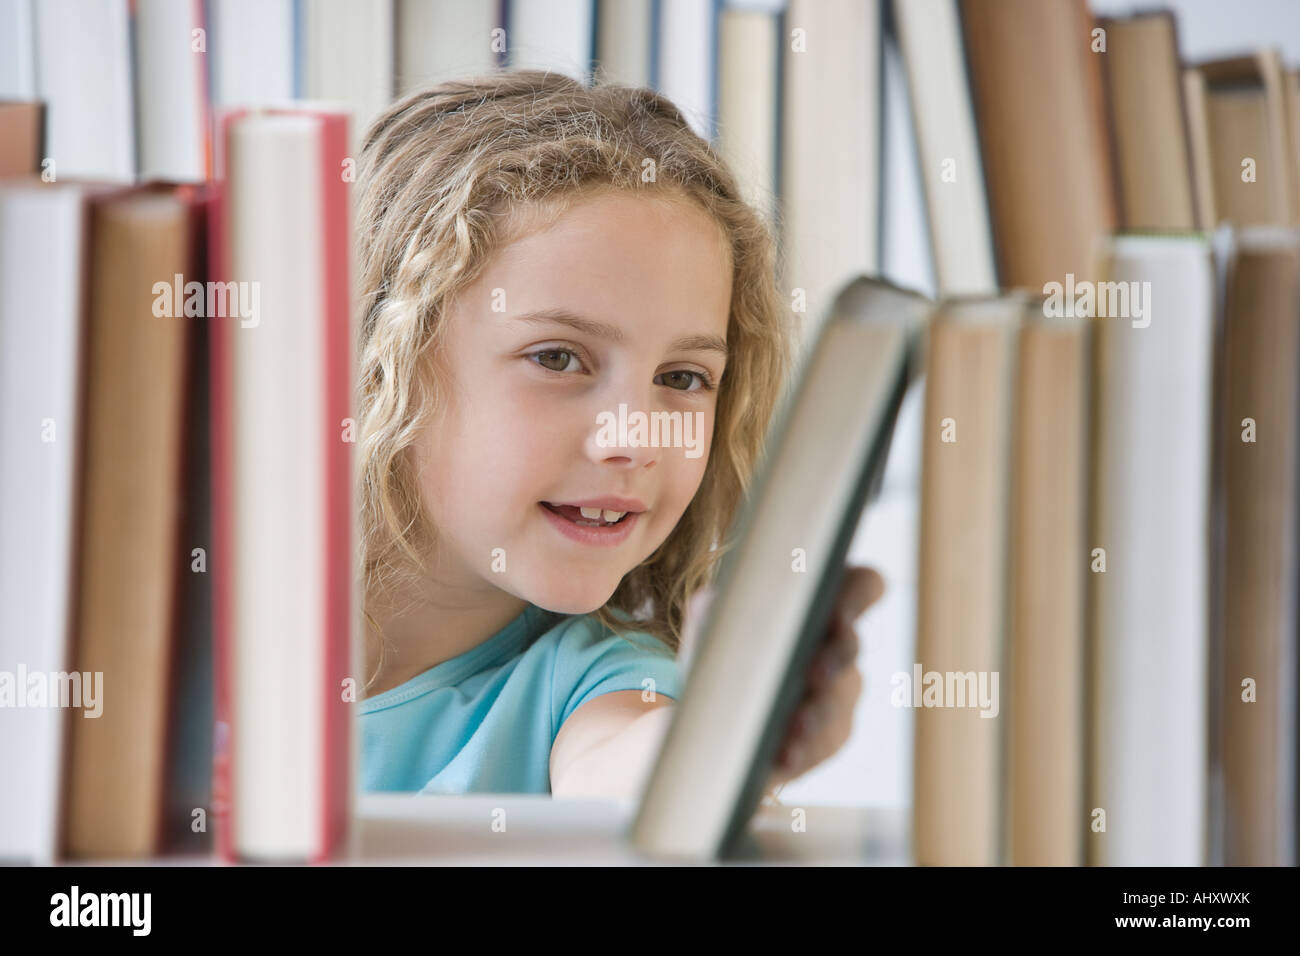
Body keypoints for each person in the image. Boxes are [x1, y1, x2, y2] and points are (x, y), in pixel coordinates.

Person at [354, 70, 884, 802]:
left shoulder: (597, 681)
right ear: (384, 365)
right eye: (558, 358)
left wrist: (726, 729)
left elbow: (631, 763)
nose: (632, 440)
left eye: (683, 377)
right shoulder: (186, 640)